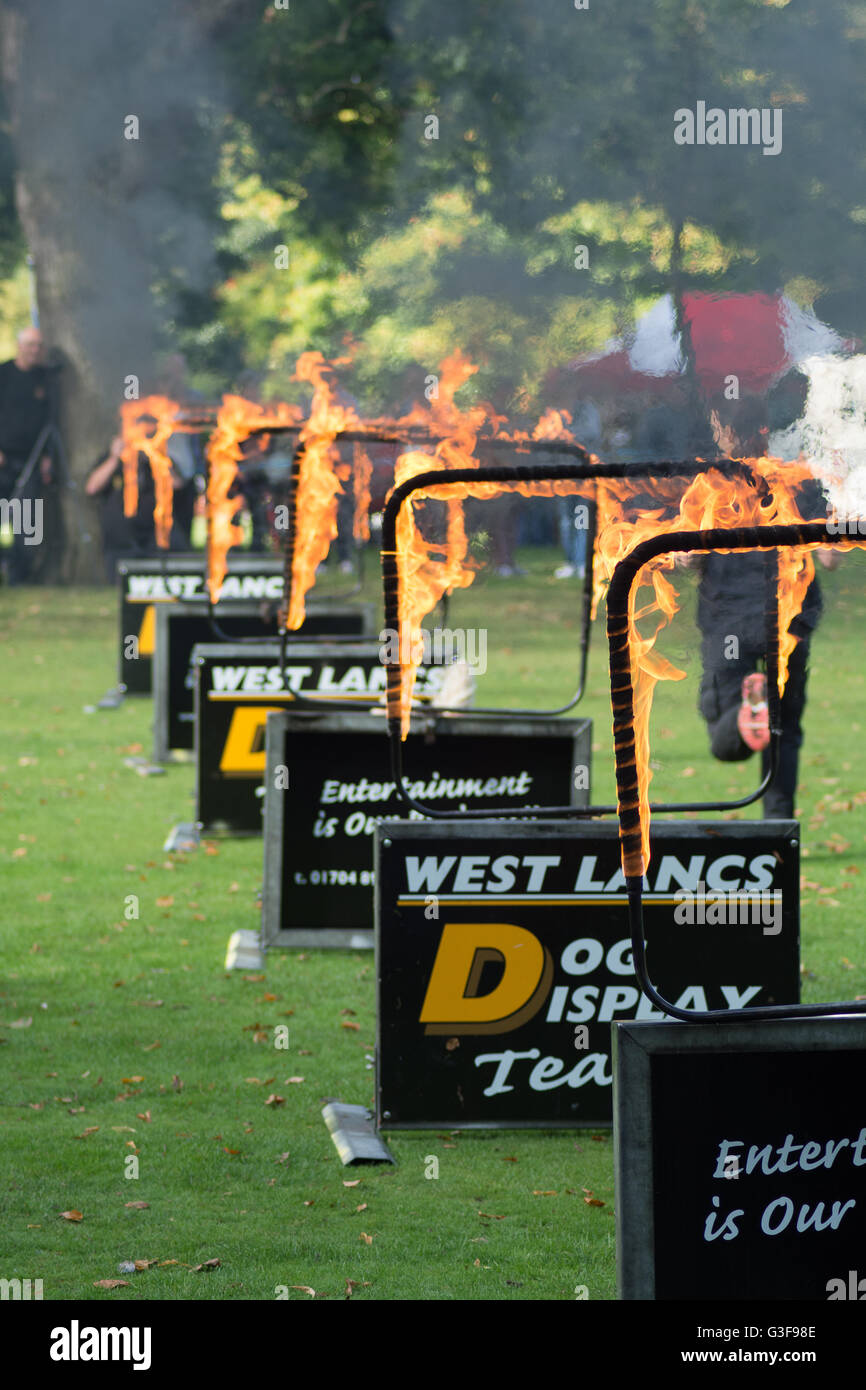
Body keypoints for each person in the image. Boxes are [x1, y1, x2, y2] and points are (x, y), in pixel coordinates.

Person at [694, 393, 839, 819]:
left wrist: (683, 557)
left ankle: (745, 711)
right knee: (785, 728)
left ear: (726, 431)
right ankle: (778, 824)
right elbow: (830, 558)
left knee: (722, 732)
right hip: (790, 619)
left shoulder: (710, 482)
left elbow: (688, 555)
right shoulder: (800, 478)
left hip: (730, 621)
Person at [85, 434, 191, 582]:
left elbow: (177, 484)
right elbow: (92, 488)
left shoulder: (158, 461)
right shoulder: (112, 461)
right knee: (121, 588)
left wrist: (155, 457)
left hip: (154, 539)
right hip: (120, 541)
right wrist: (114, 458)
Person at [0, 326, 55, 584]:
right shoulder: (4, 374)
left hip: (30, 461)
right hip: (3, 459)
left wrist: (47, 456)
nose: (34, 350)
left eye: (39, 345)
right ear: (19, 345)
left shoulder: (44, 378)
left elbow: (50, 420)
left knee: (26, 522)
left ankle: (19, 576)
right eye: (30, 344)